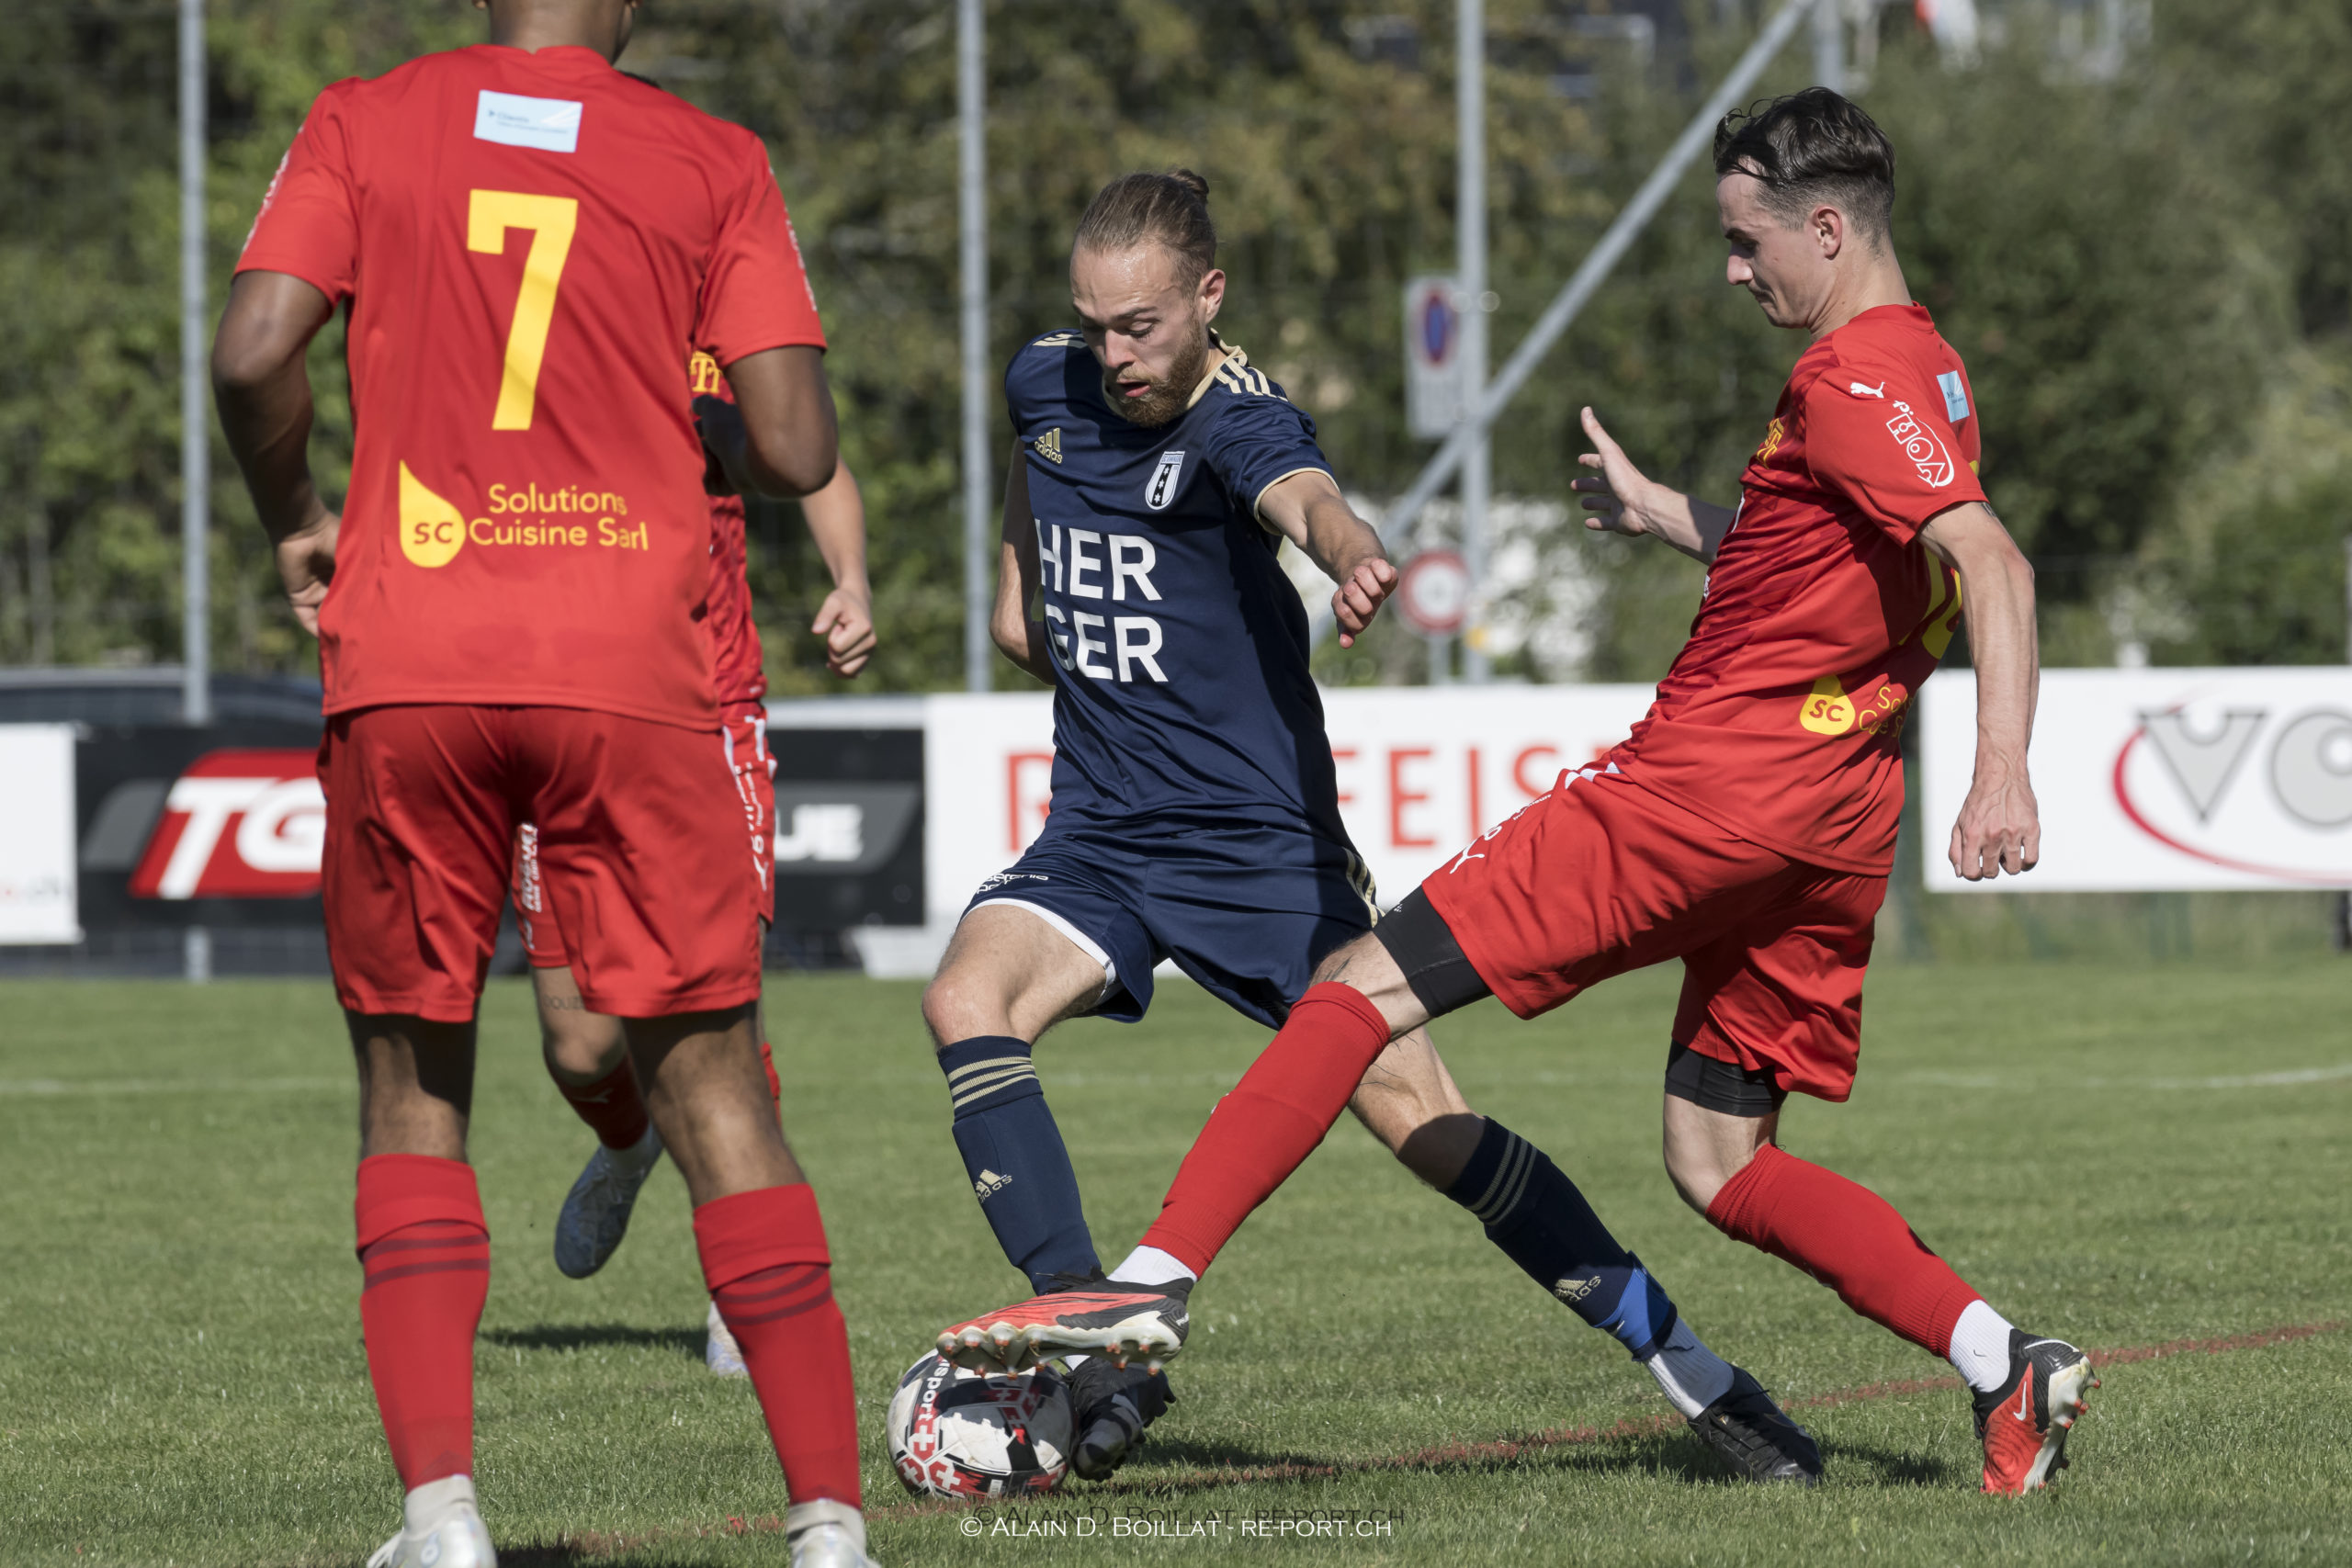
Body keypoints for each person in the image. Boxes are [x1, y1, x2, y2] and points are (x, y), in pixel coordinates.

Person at [940, 92, 2098, 1497]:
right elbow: (1851, 553)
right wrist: (1672, 513)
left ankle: (1147, 1285)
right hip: (1831, 812)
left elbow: (1994, 563)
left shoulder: (1855, 377)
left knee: (1359, 989)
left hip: (1703, 791)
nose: (1737, 272)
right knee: (1718, 1155)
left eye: (1748, 244)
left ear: (1830, 228)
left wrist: (2002, 771)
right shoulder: (1923, 368)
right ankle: (1999, 1357)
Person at [210, 2, 875, 1562]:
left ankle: (442, 1517)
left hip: (412, 655)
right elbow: (790, 442)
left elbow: (252, 352)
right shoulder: (710, 156)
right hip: (630, 669)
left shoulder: (367, 117)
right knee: (712, 1084)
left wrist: (297, 508)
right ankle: (830, 1525)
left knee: (413, 1087)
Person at [531, 352, 876, 1382]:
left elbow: (810, 458)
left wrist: (850, 582)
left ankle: (742, 1285)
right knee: (579, 1045)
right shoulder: (533, 325)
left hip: (705, 722)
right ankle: (630, 1146)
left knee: (723, 1017)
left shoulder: (722, 335)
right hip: (554, 719)